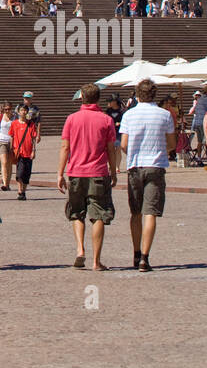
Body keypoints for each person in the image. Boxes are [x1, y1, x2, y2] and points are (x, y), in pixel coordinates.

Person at [57, 83, 118, 272]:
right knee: (98, 215)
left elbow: (65, 147)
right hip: (98, 172)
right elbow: (110, 149)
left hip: (75, 172)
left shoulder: (72, 119)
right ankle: (96, 261)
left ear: (82, 97)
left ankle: (80, 249)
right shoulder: (106, 120)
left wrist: (60, 173)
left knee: (77, 212)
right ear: (98, 98)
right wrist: (114, 171)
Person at [119, 78, 176, 270]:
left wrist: (134, 153)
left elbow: (124, 144)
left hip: (135, 167)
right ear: (154, 94)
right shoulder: (165, 115)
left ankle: (135, 253)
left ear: (137, 94)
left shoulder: (129, 115)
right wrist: (162, 149)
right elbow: (172, 144)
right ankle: (145, 257)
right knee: (150, 212)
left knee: (135, 213)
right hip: (156, 166)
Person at [9, 106, 37, 200]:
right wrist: (11, 149)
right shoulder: (14, 124)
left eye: (25, 110)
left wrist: (33, 150)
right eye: (22, 110)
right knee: (19, 173)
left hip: (28, 152)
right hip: (19, 152)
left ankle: (23, 191)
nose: (23, 112)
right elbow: (11, 137)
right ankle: (19, 190)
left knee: (27, 173)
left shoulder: (31, 124)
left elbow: (33, 138)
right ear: (18, 112)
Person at [0, 103, 13, 190]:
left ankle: (8, 183)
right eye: (5, 109)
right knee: (4, 162)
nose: (7, 111)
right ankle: (5, 184)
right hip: (2, 141)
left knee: (9, 164)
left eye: (9, 109)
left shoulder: (14, 117)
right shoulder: (0, 116)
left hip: (12, 141)